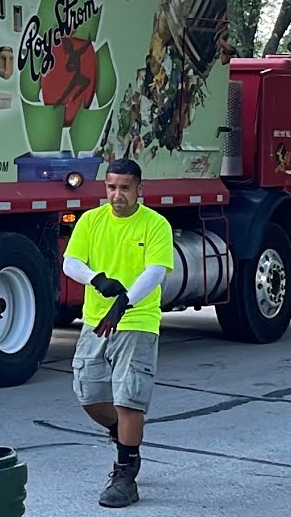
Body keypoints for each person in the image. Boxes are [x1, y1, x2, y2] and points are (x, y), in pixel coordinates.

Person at [62, 158, 174, 508]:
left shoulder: (155, 225)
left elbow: (155, 272)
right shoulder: (91, 221)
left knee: (129, 398)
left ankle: (125, 472)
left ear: (140, 189)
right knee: (89, 393)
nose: (117, 195)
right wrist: (96, 279)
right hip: (97, 320)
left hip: (136, 321)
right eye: (111, 187)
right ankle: (124, 437)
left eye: (125, 188)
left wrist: (124, 301)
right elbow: (70, 262)